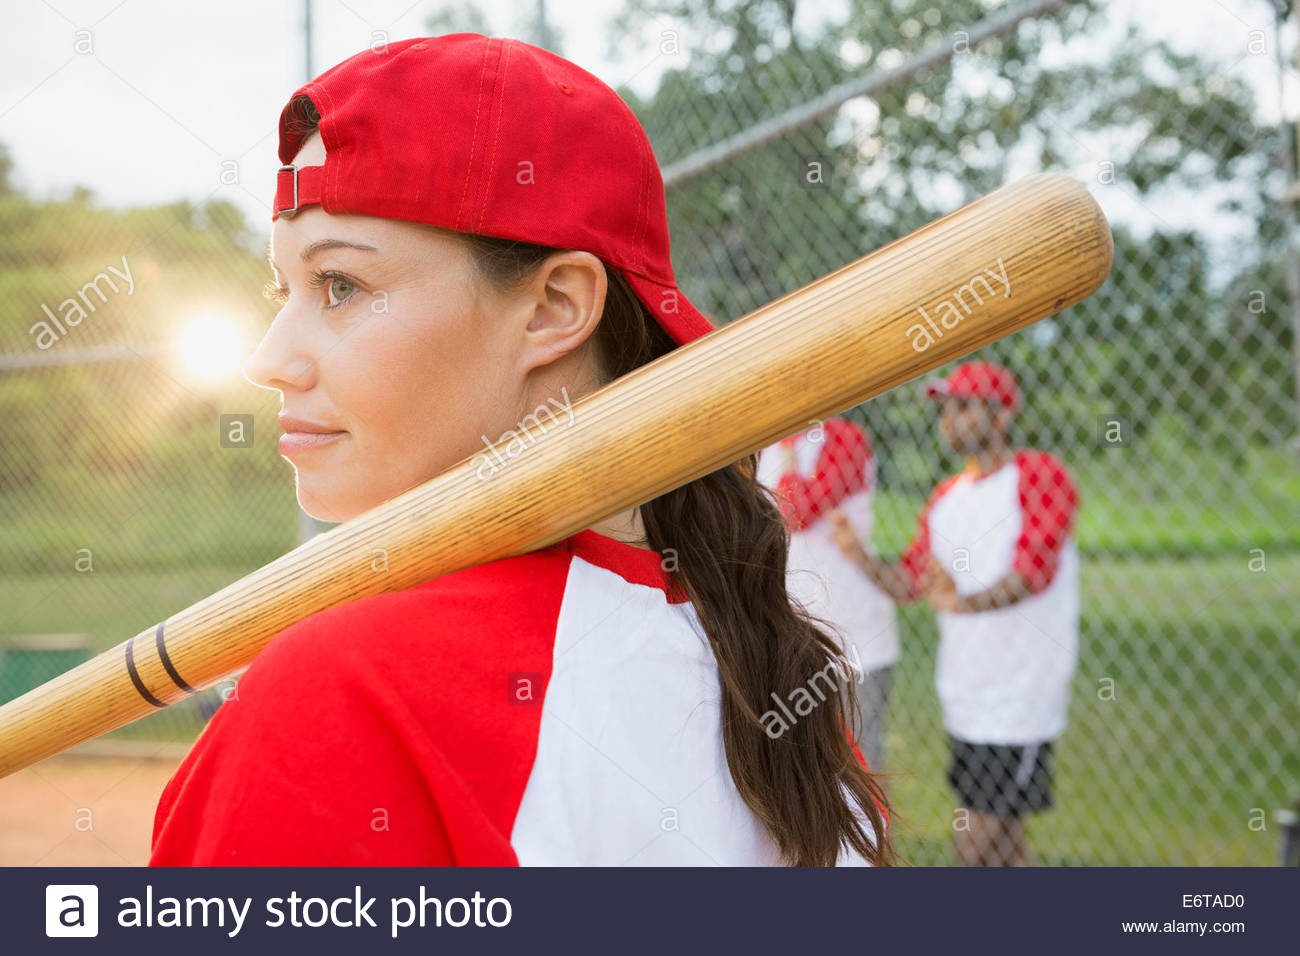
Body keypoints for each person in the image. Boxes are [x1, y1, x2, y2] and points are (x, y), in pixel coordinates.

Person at [148, 34, 890, 867]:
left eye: (341, 286)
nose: (268, 360)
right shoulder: (779, 682)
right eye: (284, 292)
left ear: (552, 310)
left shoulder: (343, 690)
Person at [829, 362, 1078, 866]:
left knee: (973, 845)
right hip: (967, 693)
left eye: (964, 407)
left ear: (1002, 416)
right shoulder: (946, 498)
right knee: (1005, 846)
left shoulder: (1038, 475)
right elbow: (910, 582)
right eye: (945, 410)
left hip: (1020, 698)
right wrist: (858, 555)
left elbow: (1032, 571)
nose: (949, 420)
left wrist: (964, 601)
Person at [756, 418, 899, 771]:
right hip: (788, 632)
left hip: (854, 637)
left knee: (861, 766)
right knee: (797, 768)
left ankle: (876, 830)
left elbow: (796, 511)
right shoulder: (759, 441)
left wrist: (788, 452)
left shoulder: (845, 438)